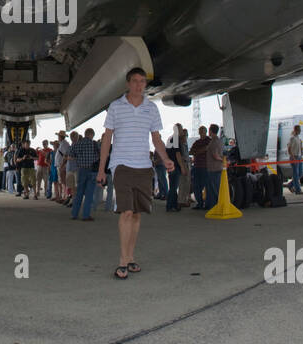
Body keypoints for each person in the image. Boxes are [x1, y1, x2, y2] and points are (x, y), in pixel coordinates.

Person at [97, 67, 172, 279]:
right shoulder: (116, 107)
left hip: (144, 166)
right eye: (135, 81)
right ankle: (122, 261)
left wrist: (165, 158)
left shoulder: (151, 109)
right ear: (128, 83)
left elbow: (156, 138)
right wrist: (102, 169)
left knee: (137, 214)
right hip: (121, 165)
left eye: (142, 81)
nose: (139, 85)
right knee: (126, 212)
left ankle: (130, 257)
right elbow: (106, 138)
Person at [68, 128, 100, 220]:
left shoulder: (77, 144)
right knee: (89, 194)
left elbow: (70, 155)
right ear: (92, 135)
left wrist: (79, 159)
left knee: (79, 193)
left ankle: (74, 214)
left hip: (81, 170)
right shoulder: (94, 144)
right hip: (91, 170)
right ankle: (86, 215)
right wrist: (93, 159)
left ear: (85, 134)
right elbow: (100, 155)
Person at [189, 125, 210, 208]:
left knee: (207, 186)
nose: (201, 133)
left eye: (202, 131)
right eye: (200, 131)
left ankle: (208, 204)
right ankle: (200, 203)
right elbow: (190, 152)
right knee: (196, 186)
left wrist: (197, 151)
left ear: (206, 132)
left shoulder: (209, 141)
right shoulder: (197, 142)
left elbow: (209, 149)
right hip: (197, 166)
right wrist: (202, 150)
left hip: (206, 167)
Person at [287, 124, 303, 194]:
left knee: (300, 173)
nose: (300, 131)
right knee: (296, 174)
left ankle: (290, 184)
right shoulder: (292, 138)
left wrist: (302, 151)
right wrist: (293, 157)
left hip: (299, 156)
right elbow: (289, 148)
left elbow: (300, 147)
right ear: (296, 130)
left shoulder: (298, 138)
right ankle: (298, 190)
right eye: (299, 130)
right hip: (294, 157)